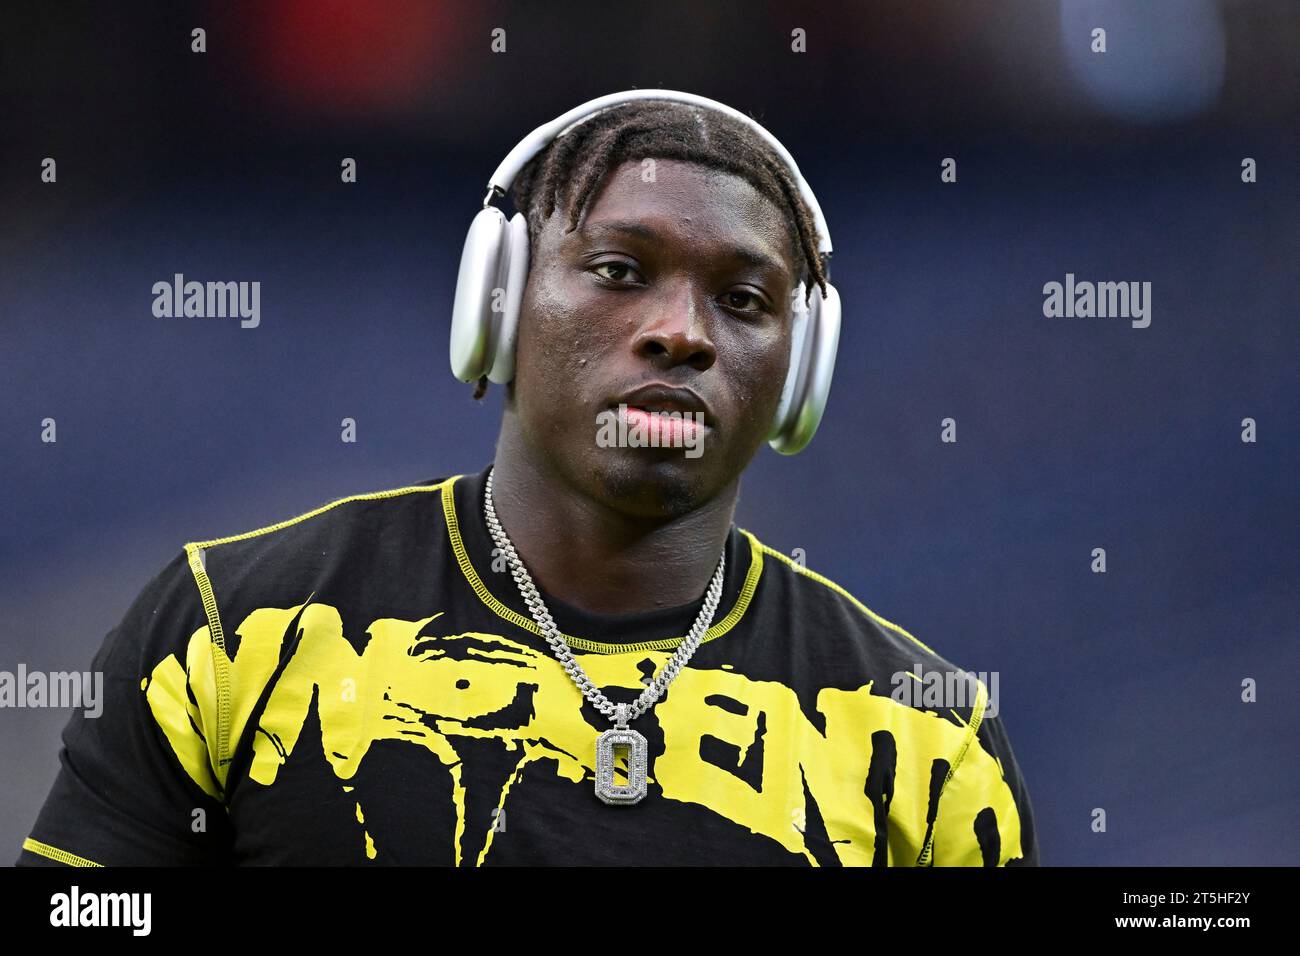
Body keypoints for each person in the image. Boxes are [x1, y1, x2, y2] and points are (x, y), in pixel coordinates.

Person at [16, 91, 1037, 866]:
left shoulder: (922, 734)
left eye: (740, 296)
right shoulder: (229, 629)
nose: (678, 331)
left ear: (799, 370)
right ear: (497, 303)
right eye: (618, 270)